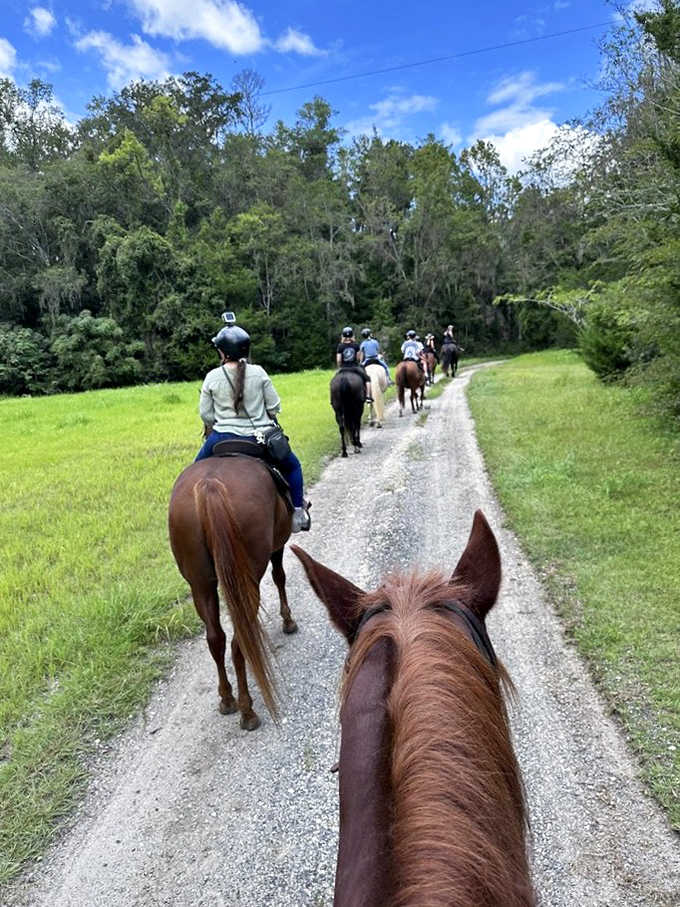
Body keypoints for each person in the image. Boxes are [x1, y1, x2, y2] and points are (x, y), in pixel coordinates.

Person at [195, 321, 310, 532]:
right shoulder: (259, 372)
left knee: (193, 471)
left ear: (222, 352)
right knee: (293, 466)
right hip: (261, 437)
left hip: (221, 438)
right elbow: (274, 406)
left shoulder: (212, 377)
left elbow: (206, 415)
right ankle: (298, 513)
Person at [336, 326, 373, 402]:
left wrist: (340, 367)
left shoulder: (340, 346)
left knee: (334, 381)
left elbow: (339, 360)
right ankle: (368, 396)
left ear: (343, 335)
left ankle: (335, 399)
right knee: (367, 379)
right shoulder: (356, 345)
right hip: (354, 367)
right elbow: (358, 358)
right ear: (352, 335)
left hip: (343, 368)